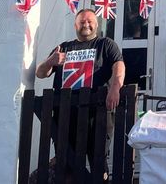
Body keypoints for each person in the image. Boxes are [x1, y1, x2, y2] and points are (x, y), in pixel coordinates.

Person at [36, 9, 125, 178]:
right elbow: (40, 73)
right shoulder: (64, 47)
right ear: (75, 25)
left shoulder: (105, 44)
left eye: (90, 21)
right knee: (66, 162)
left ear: (96, 24)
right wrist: (51, 61)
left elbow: (118, 65)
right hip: (66, 115)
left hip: (97, 115)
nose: (86, 24)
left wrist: (115, 87)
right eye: (82, 22)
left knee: (98, 162)